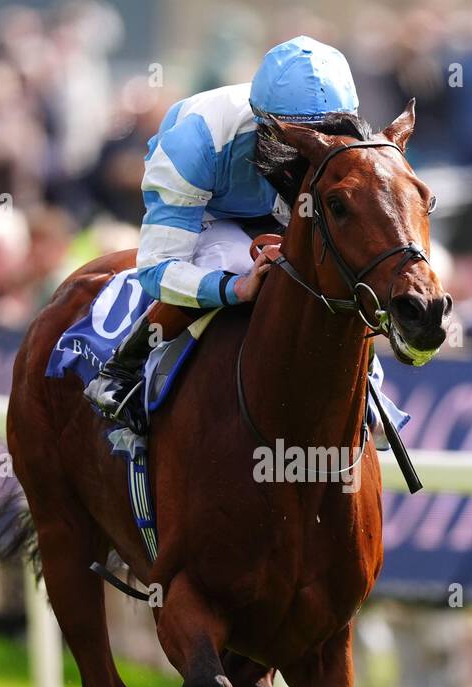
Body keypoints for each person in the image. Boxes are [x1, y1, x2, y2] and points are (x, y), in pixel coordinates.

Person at [85, 36, 366, 424]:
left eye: (329, 133)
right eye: (301, 139)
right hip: (211, 209)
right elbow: (157, 271)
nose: (316, 151)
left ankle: (368, 386)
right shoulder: (192, 144)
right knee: (232, 259)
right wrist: (237, 287)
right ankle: (124, 366)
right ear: (265, 126)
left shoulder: (351, 143)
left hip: (280, 206)